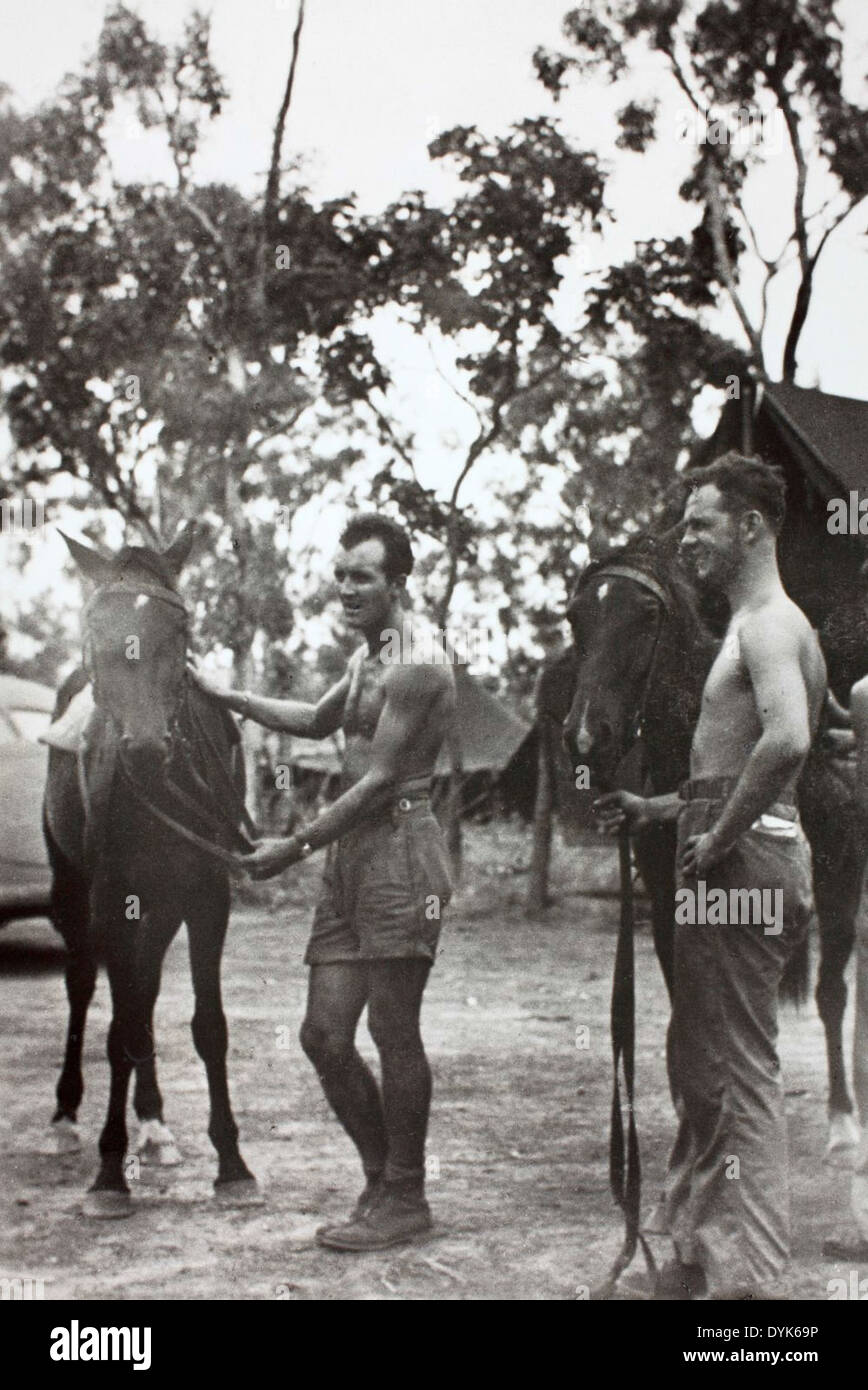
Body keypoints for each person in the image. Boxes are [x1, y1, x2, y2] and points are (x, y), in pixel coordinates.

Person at [194, 514, 456, 1251]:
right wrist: (230, 699)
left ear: (398, 583)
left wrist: (294, 846)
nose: (346, 588)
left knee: (392, 1029)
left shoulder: (418, 660)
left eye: (363, 576)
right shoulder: (366, 656)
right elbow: (314, 720)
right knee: (322, 1034)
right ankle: (381, 1179)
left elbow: (377, 781)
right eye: (340, 575)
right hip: (352, 859)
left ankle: (407, 1195)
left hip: (402, 852)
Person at [596, 453, 822, 1299]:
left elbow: (790, 740)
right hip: (735, 841)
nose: (685, 539)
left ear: (752, 527)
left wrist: (720, 834)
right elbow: (795, 739)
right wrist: (662, 811)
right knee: (702, 1054)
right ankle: (691, 1251)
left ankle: (756, 1290)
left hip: (740, 859)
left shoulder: (766, 624)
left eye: (701, 523)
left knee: (740, 1069)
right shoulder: (772, 626)